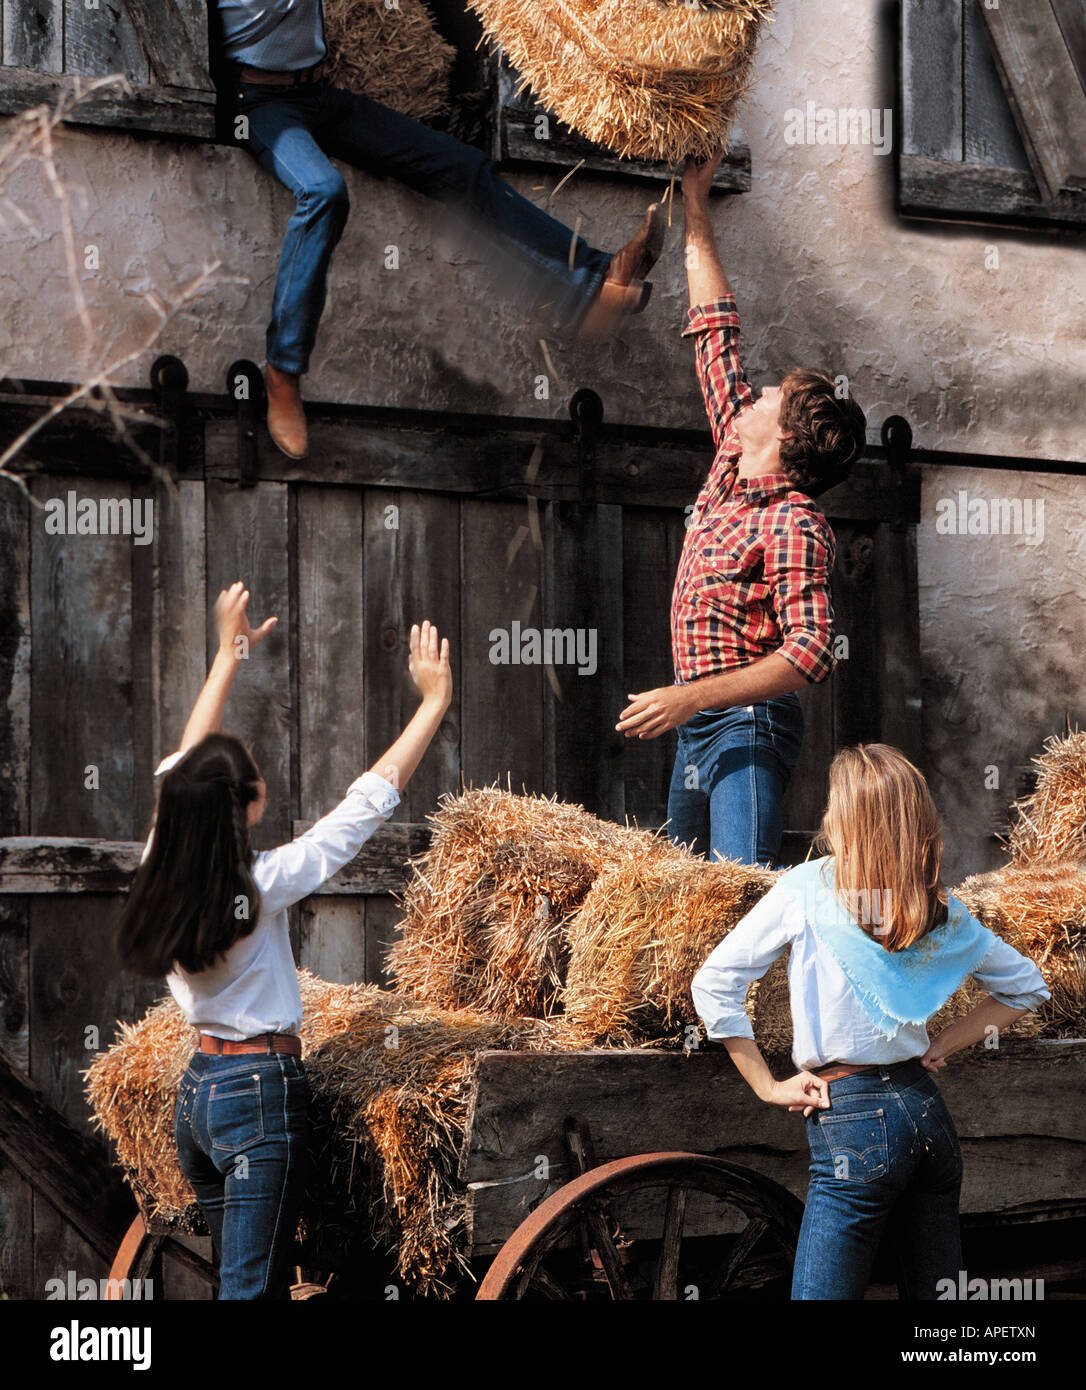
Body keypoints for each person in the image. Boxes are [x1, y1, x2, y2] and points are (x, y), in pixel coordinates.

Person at [114, 582, 453, 1299]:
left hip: (198, 1098)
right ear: (248, 804)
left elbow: (184, 766)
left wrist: (228, 656)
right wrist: (432, 704)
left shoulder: (158, 868)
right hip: (257, 1099)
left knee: (245, 1285)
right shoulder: (258, 886)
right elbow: (360, 812)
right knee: (249, 1295)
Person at [213, 0, 667, 459]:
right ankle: (283, 370)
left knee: (461, 166)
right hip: (254, 104)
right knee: (324, 192)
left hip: (317, 96)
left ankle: (596, 278)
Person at [690, 743, 1050, 1300]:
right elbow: (1026, 987)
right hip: (925, 1109)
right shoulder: (937, 907)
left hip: (852, 1119)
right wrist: (942, 1044)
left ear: (846, 817)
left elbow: (714, 982)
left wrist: (766, 1085)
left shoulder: (805, 890)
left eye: (834, 804)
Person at [616, 148, 867, 868]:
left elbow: (811, 652)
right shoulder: (733, 459)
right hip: (700, 725)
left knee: (737, 895)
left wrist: (694, 698)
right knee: (682, 898)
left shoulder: (794, 521)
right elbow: (715, 332)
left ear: (784, 435)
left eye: (769, 398)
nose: (752, 395)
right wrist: (696, 205)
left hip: (746, 725)